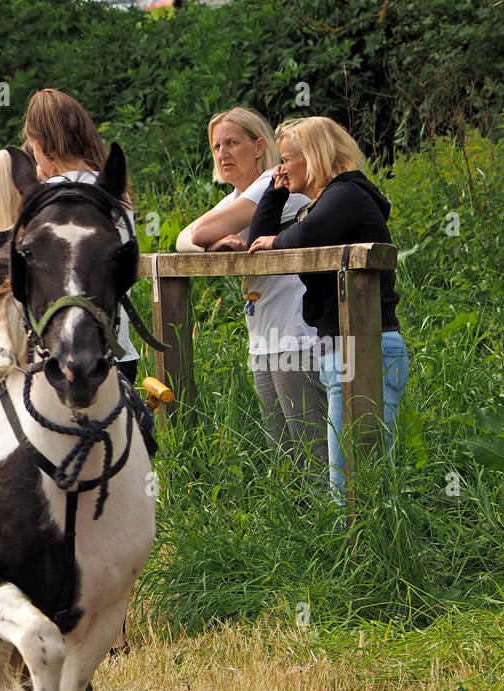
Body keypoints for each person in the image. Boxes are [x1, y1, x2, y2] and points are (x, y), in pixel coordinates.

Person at [248, 116, 409, 497]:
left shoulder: (347, 195)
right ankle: (364, 552)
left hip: (367, 349)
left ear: (315, 156)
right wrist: (275, 193)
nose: (281, 168)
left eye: (287, 159)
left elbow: (304, 237)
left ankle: (373, 555)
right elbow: (259, 244)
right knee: (350, 484)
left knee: (353, 484)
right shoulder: (324, 203)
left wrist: (276, 240)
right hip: (341, 349)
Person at [177, 107, 326, 470]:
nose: (222, 153)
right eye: (216, 146)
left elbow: (196, 232)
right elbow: (184, 239)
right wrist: (212, 246)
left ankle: (338, 523)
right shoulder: (235, 198)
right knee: (284, 455)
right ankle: (297, 526)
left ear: (259, 146)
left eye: (232, 143)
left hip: (298, 332)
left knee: (312, 451)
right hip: (265, 336)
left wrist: (206, 239)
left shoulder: (273, 186)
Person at [21, 88, 141, 384]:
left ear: (41, 144)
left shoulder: (53, 199)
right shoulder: (115, 194)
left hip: (66, 355)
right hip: (118, 349)